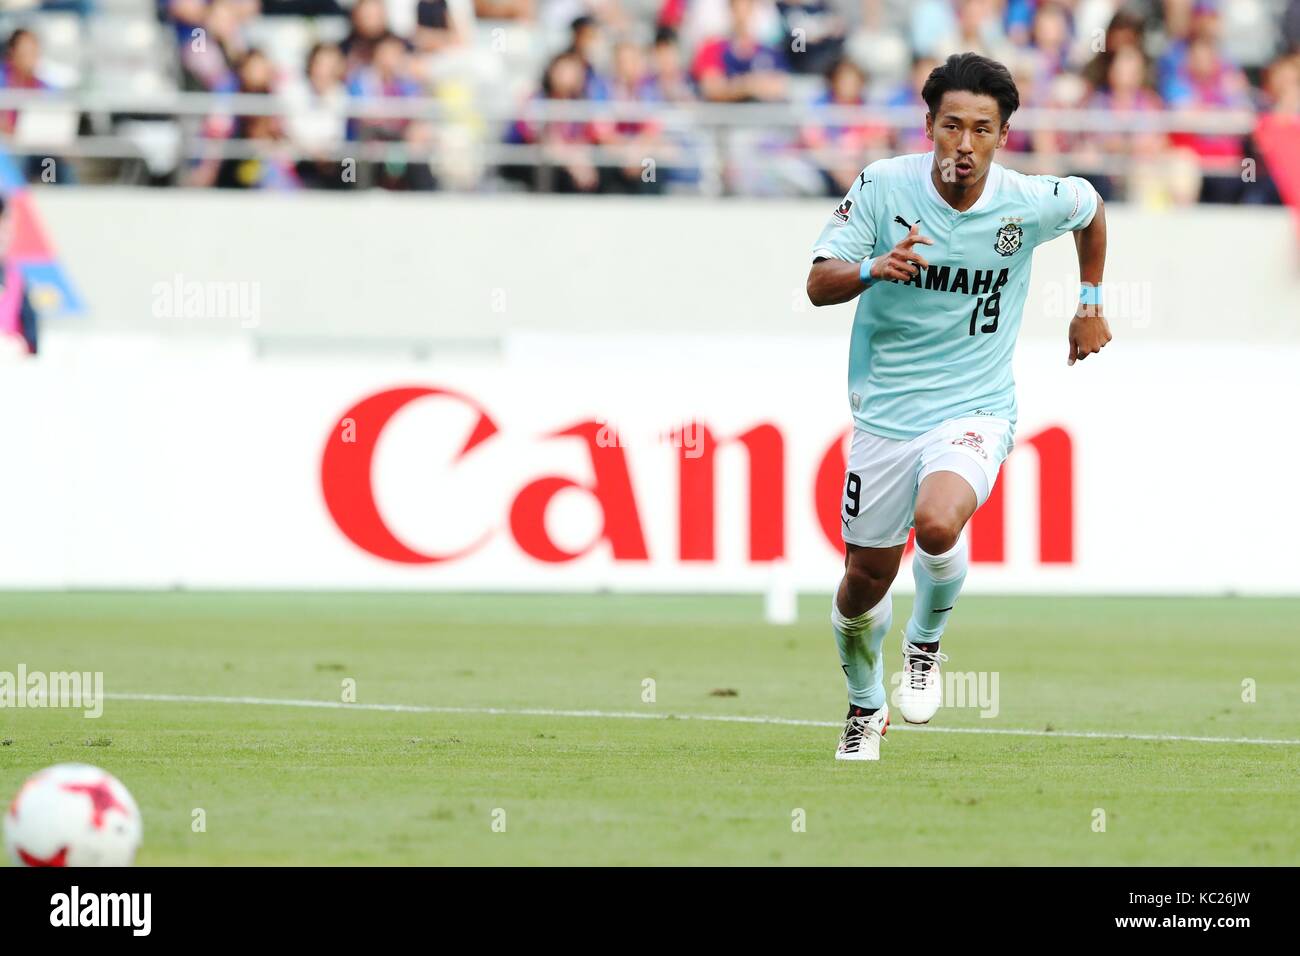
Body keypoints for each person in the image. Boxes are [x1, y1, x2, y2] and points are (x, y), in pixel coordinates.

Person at [805, 52, 1111, 761]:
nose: (963, 145)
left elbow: (1091, 208)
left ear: (1004, 134)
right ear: (929, 126)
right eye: (951, 127)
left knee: (939, 522)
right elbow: (819, 283)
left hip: (976, 406)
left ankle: (924, 645)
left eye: (981, 129)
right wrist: (873, 267)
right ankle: (863, 702)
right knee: (861, 587)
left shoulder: (1029, 202)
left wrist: (1089, 302)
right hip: (886, 414)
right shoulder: (883, 187)